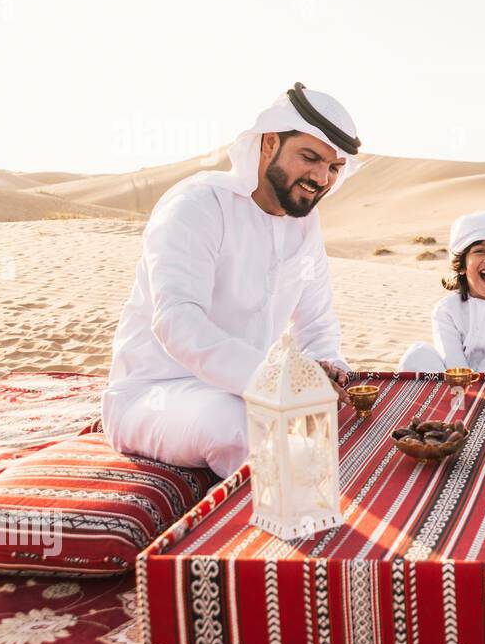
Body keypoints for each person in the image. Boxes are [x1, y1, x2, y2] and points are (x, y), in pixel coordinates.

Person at [102, 83, 360, 478]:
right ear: (270, 143)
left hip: (251, 390)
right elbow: (178, 322)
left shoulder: (305, 227)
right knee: (238, 423)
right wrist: (279, 379)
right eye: (310, 157)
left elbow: (317, 322)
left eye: (334, 168)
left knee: (324, 416)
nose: (321, 177)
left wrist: (328, 366)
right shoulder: (197, 206)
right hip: (157, 393)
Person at [398, 211, 485, 374]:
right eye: (480, 251)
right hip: (451, 385)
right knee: (417, 353)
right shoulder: (446, 309)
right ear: (462, 265)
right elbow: (453, 364)